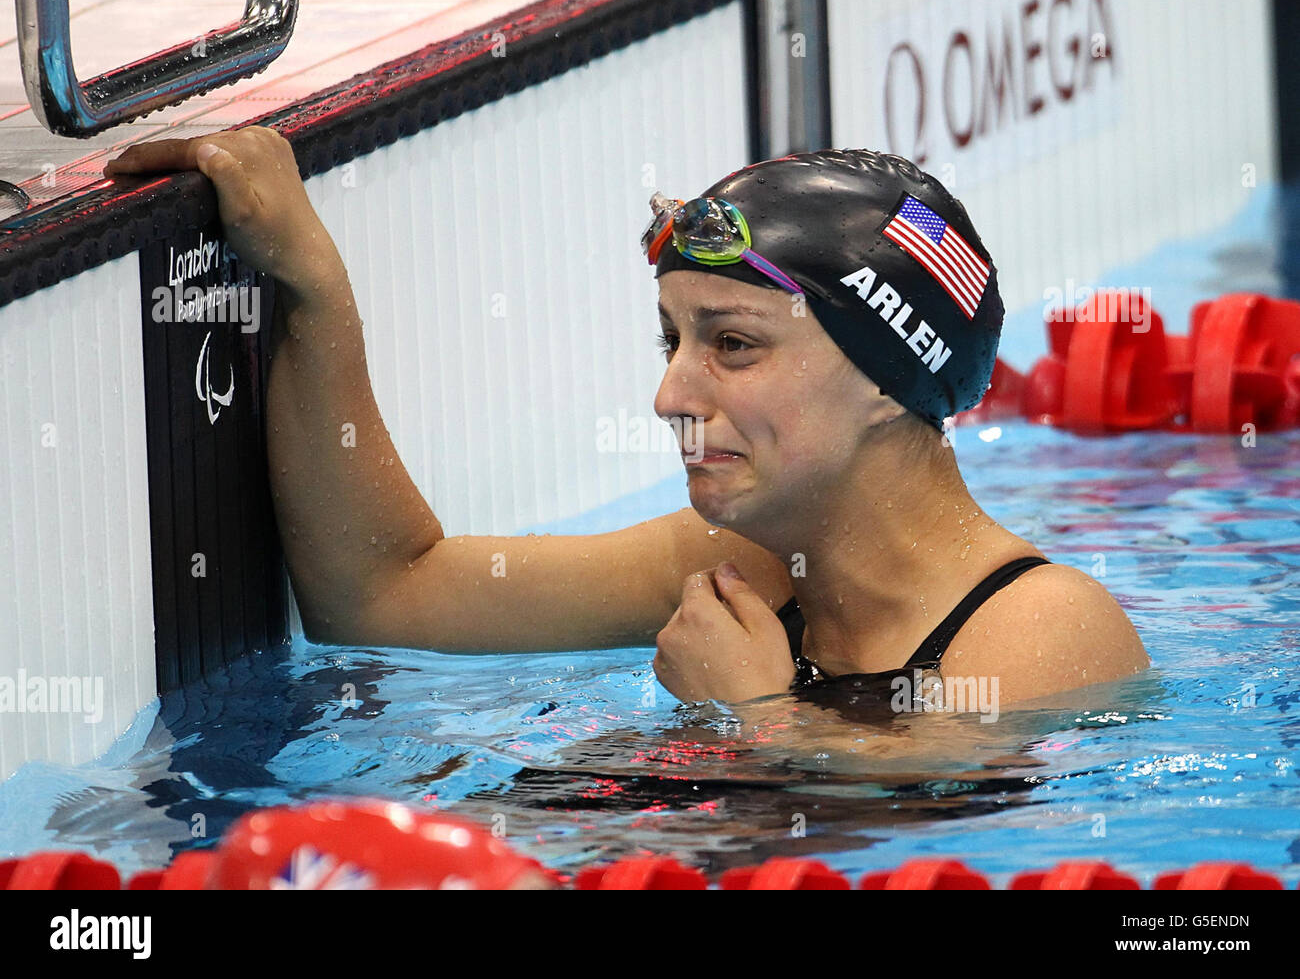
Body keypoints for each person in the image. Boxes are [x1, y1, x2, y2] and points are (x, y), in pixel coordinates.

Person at [104, 128, 1148, 715]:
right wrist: (317, 292)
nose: (671, 396)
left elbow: (924, 837)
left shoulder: (1043, 630)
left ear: (886, 377)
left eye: (731, 345)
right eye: (672, 343)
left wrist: (758, 718)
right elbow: (379, 595)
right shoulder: (732, 563)